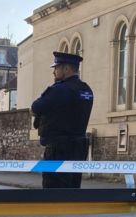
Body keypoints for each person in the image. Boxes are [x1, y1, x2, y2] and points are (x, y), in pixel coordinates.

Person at [30, 51, 94, 189]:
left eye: (56, 68)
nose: (54, 72)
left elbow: (36, 107)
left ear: (66, 69)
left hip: (58, 149)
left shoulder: (61, 90)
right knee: (72, 190)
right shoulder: (86, 90)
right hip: (78, 149)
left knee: (53, 190)